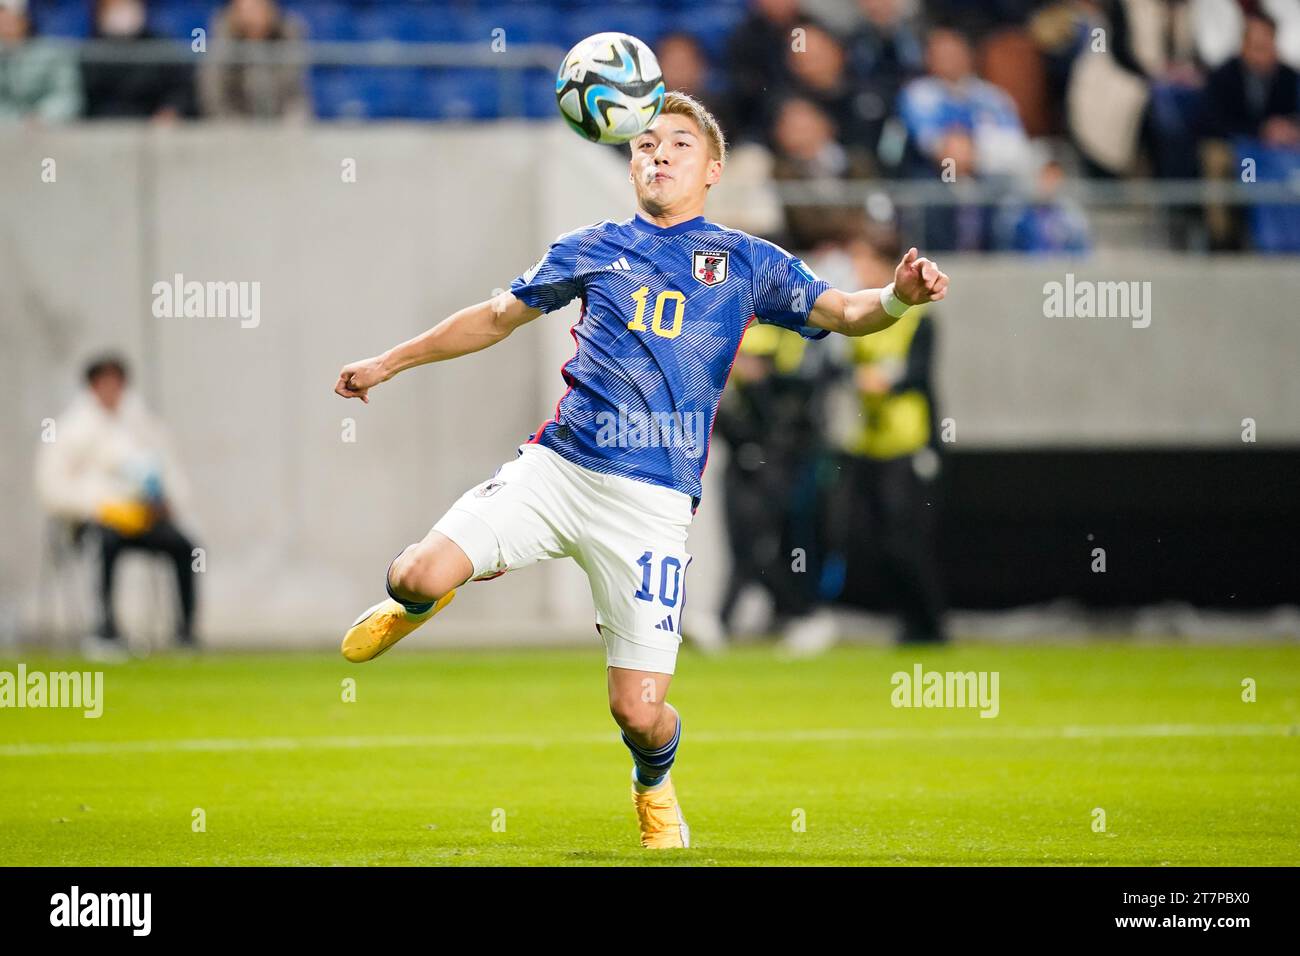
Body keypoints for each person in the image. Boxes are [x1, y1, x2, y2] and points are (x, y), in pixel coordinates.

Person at [331, 91, 950, 850]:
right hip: (557, 471)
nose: (656, 154)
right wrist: (388, 362)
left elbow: (848, 312)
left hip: (652, 508)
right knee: (414, 575)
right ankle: (422, 604)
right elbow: (495, 318)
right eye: (643, 144)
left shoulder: (748, 262)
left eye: (678, 145)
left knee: (639, 713)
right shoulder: (590, 246)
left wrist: (898, 295)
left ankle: (652, 782)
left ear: (714, 168)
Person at [35, 356, 200, 660]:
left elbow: (168, 467)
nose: (112, 389)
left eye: (117, 382)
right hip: (92, 522)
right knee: (105, 543)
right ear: (92, 385)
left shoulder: (141, 423)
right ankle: (105, 629)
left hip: (143, 517)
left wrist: (168, 502)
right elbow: (52, 488)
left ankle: (185, 634)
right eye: (104, 382)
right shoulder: (71, 429)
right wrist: (99, 506)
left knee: (187, 547)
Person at [82, 0, 196, 121]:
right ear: (102, 13)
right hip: (103, 125)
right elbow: (85, 97)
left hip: (152, 125)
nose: (124, 15)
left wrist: (171, 110)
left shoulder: (161, 45)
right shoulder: (91, 50)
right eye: (118, 8)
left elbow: (181, 89)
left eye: (129, 6)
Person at [198, 0, 309, 120]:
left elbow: (294, 91)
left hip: (279, 120)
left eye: (259, 7)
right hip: (234, 123)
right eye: (248, 9)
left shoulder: (288, 33)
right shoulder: (223, 38)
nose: (254, 17)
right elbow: (213, 93)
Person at [0, 0, 82, 123]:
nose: (5, 28)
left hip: (51, 129)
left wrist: (40, 117)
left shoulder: (54, 51)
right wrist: (16, 120)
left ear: (23, 21)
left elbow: (69, 98)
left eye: (9, 22)